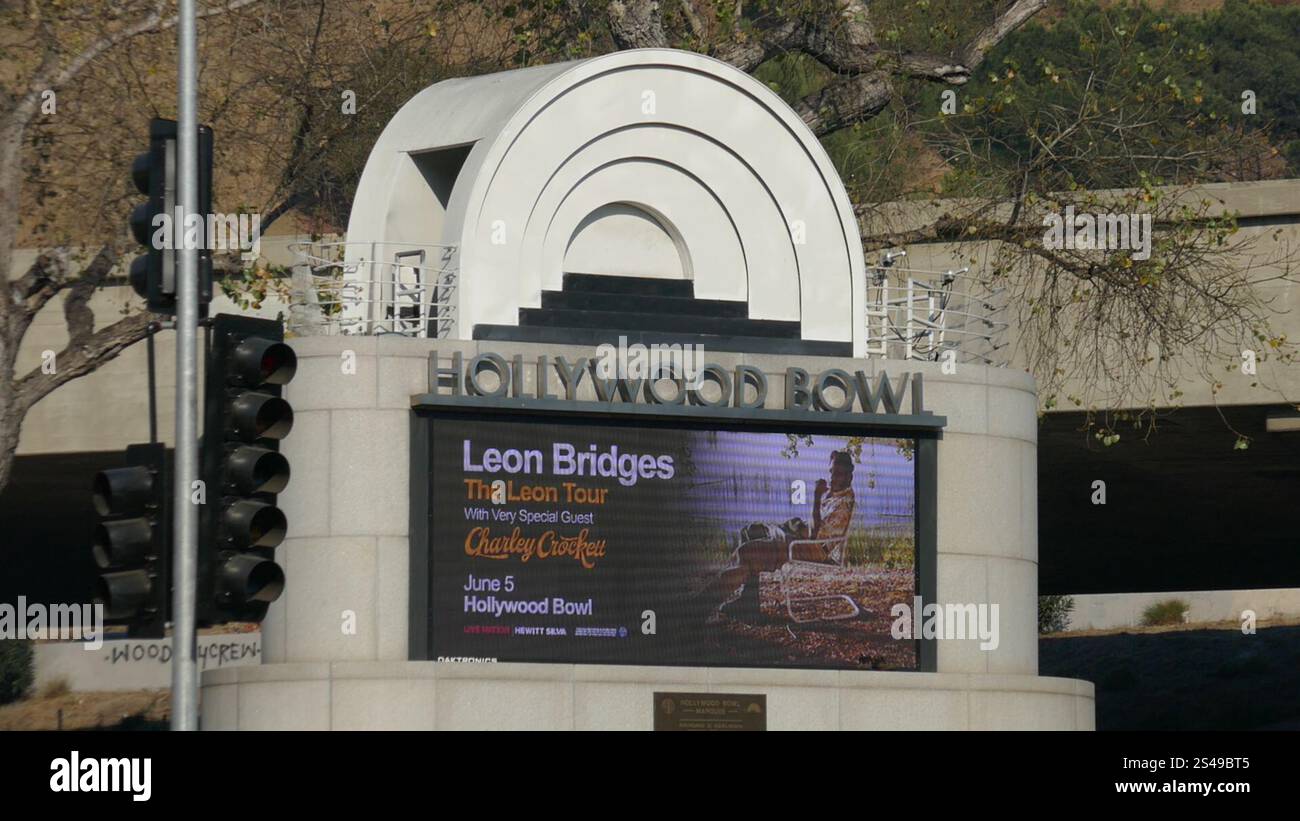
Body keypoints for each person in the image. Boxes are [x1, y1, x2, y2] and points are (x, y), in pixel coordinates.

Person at [701, 450, 856, 622]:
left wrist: (816, 497)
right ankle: (748, 602)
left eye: (838, 474)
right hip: (799, 535)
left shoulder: (843, 503)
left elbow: (814, 536)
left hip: (811, 548)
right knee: (750, 531)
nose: (833, 478)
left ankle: (698, 608)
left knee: (746, 552)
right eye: (831, 472)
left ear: (849, 476)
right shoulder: (836, 492)